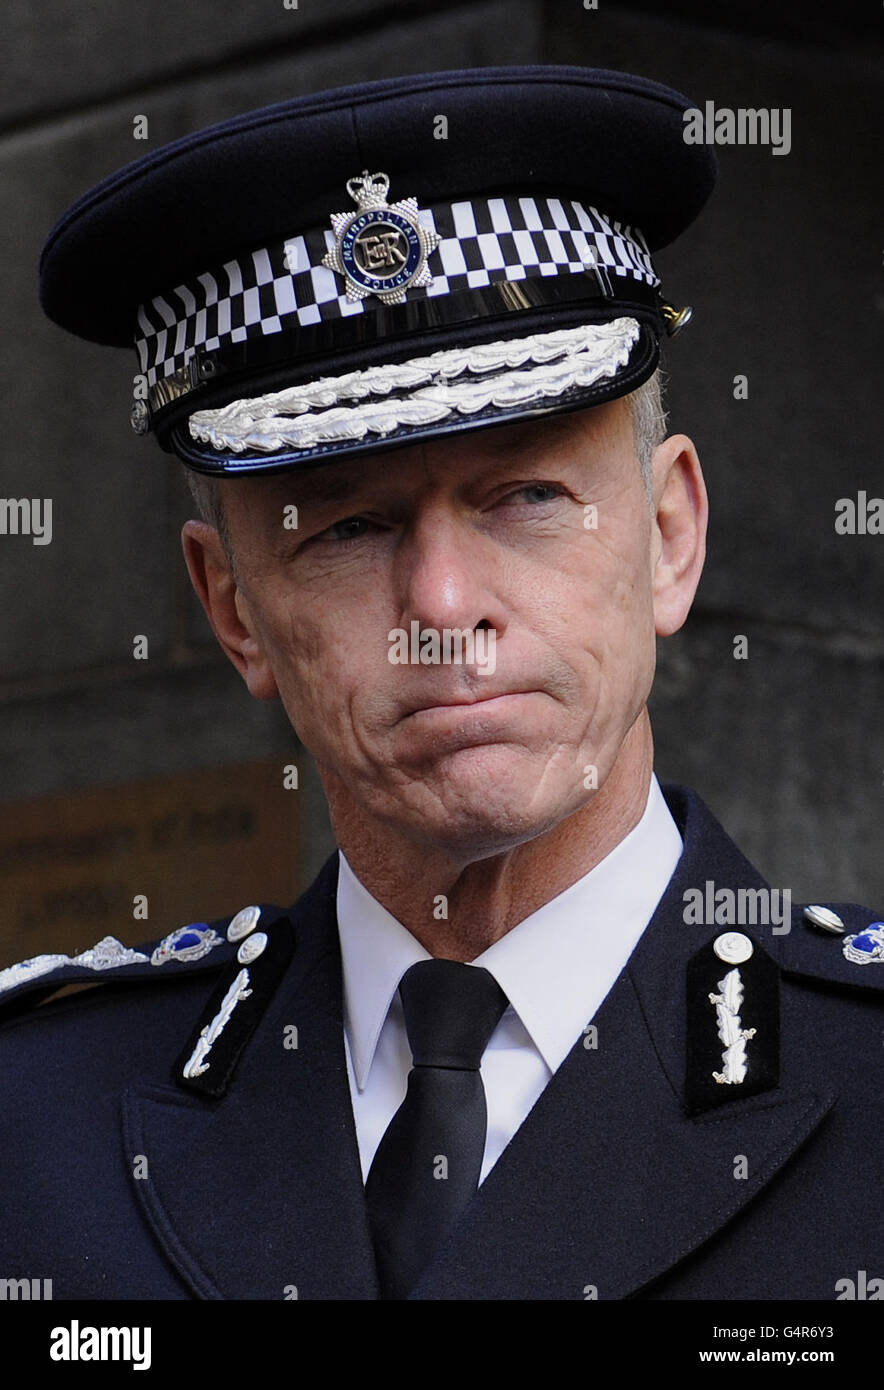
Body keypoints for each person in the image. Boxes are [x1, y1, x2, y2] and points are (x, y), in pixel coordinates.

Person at [1, 65, 881, 1302]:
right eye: (348, 528)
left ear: (669, 535)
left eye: (525, 496)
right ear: (233, 610)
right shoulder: (34, 1130)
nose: (440, 605)